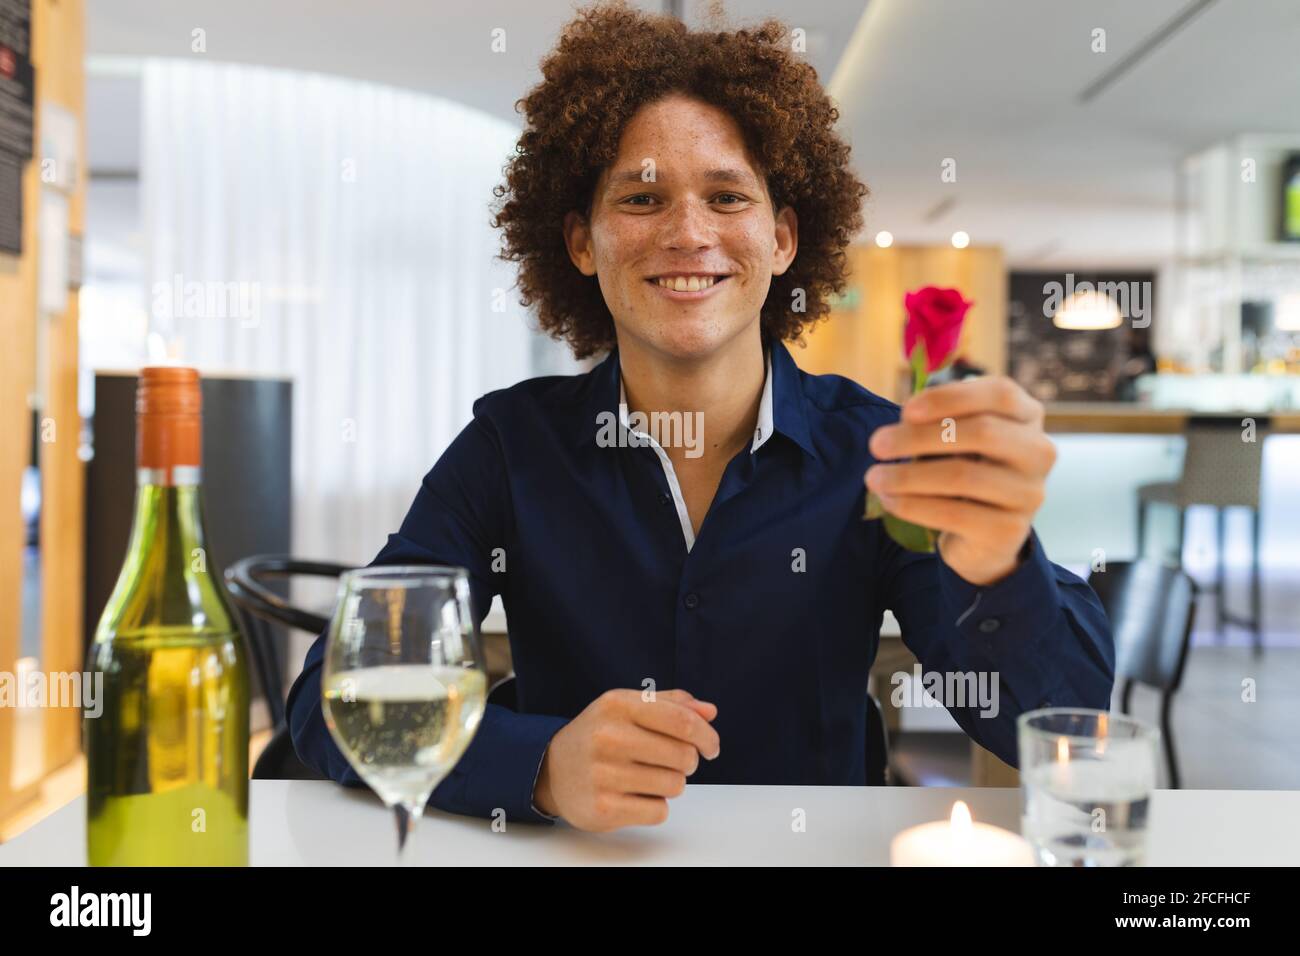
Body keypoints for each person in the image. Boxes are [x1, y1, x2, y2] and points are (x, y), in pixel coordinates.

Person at [287, 2, 1114, 833]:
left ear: (784, 238)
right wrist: (536, 767)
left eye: (727, 196)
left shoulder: (877, 450)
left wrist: (1000, 564)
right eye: (642, 199)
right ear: (581, 242)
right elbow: (334, 700)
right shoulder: (509, 448)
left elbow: (1060, 722)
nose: (688, 234)